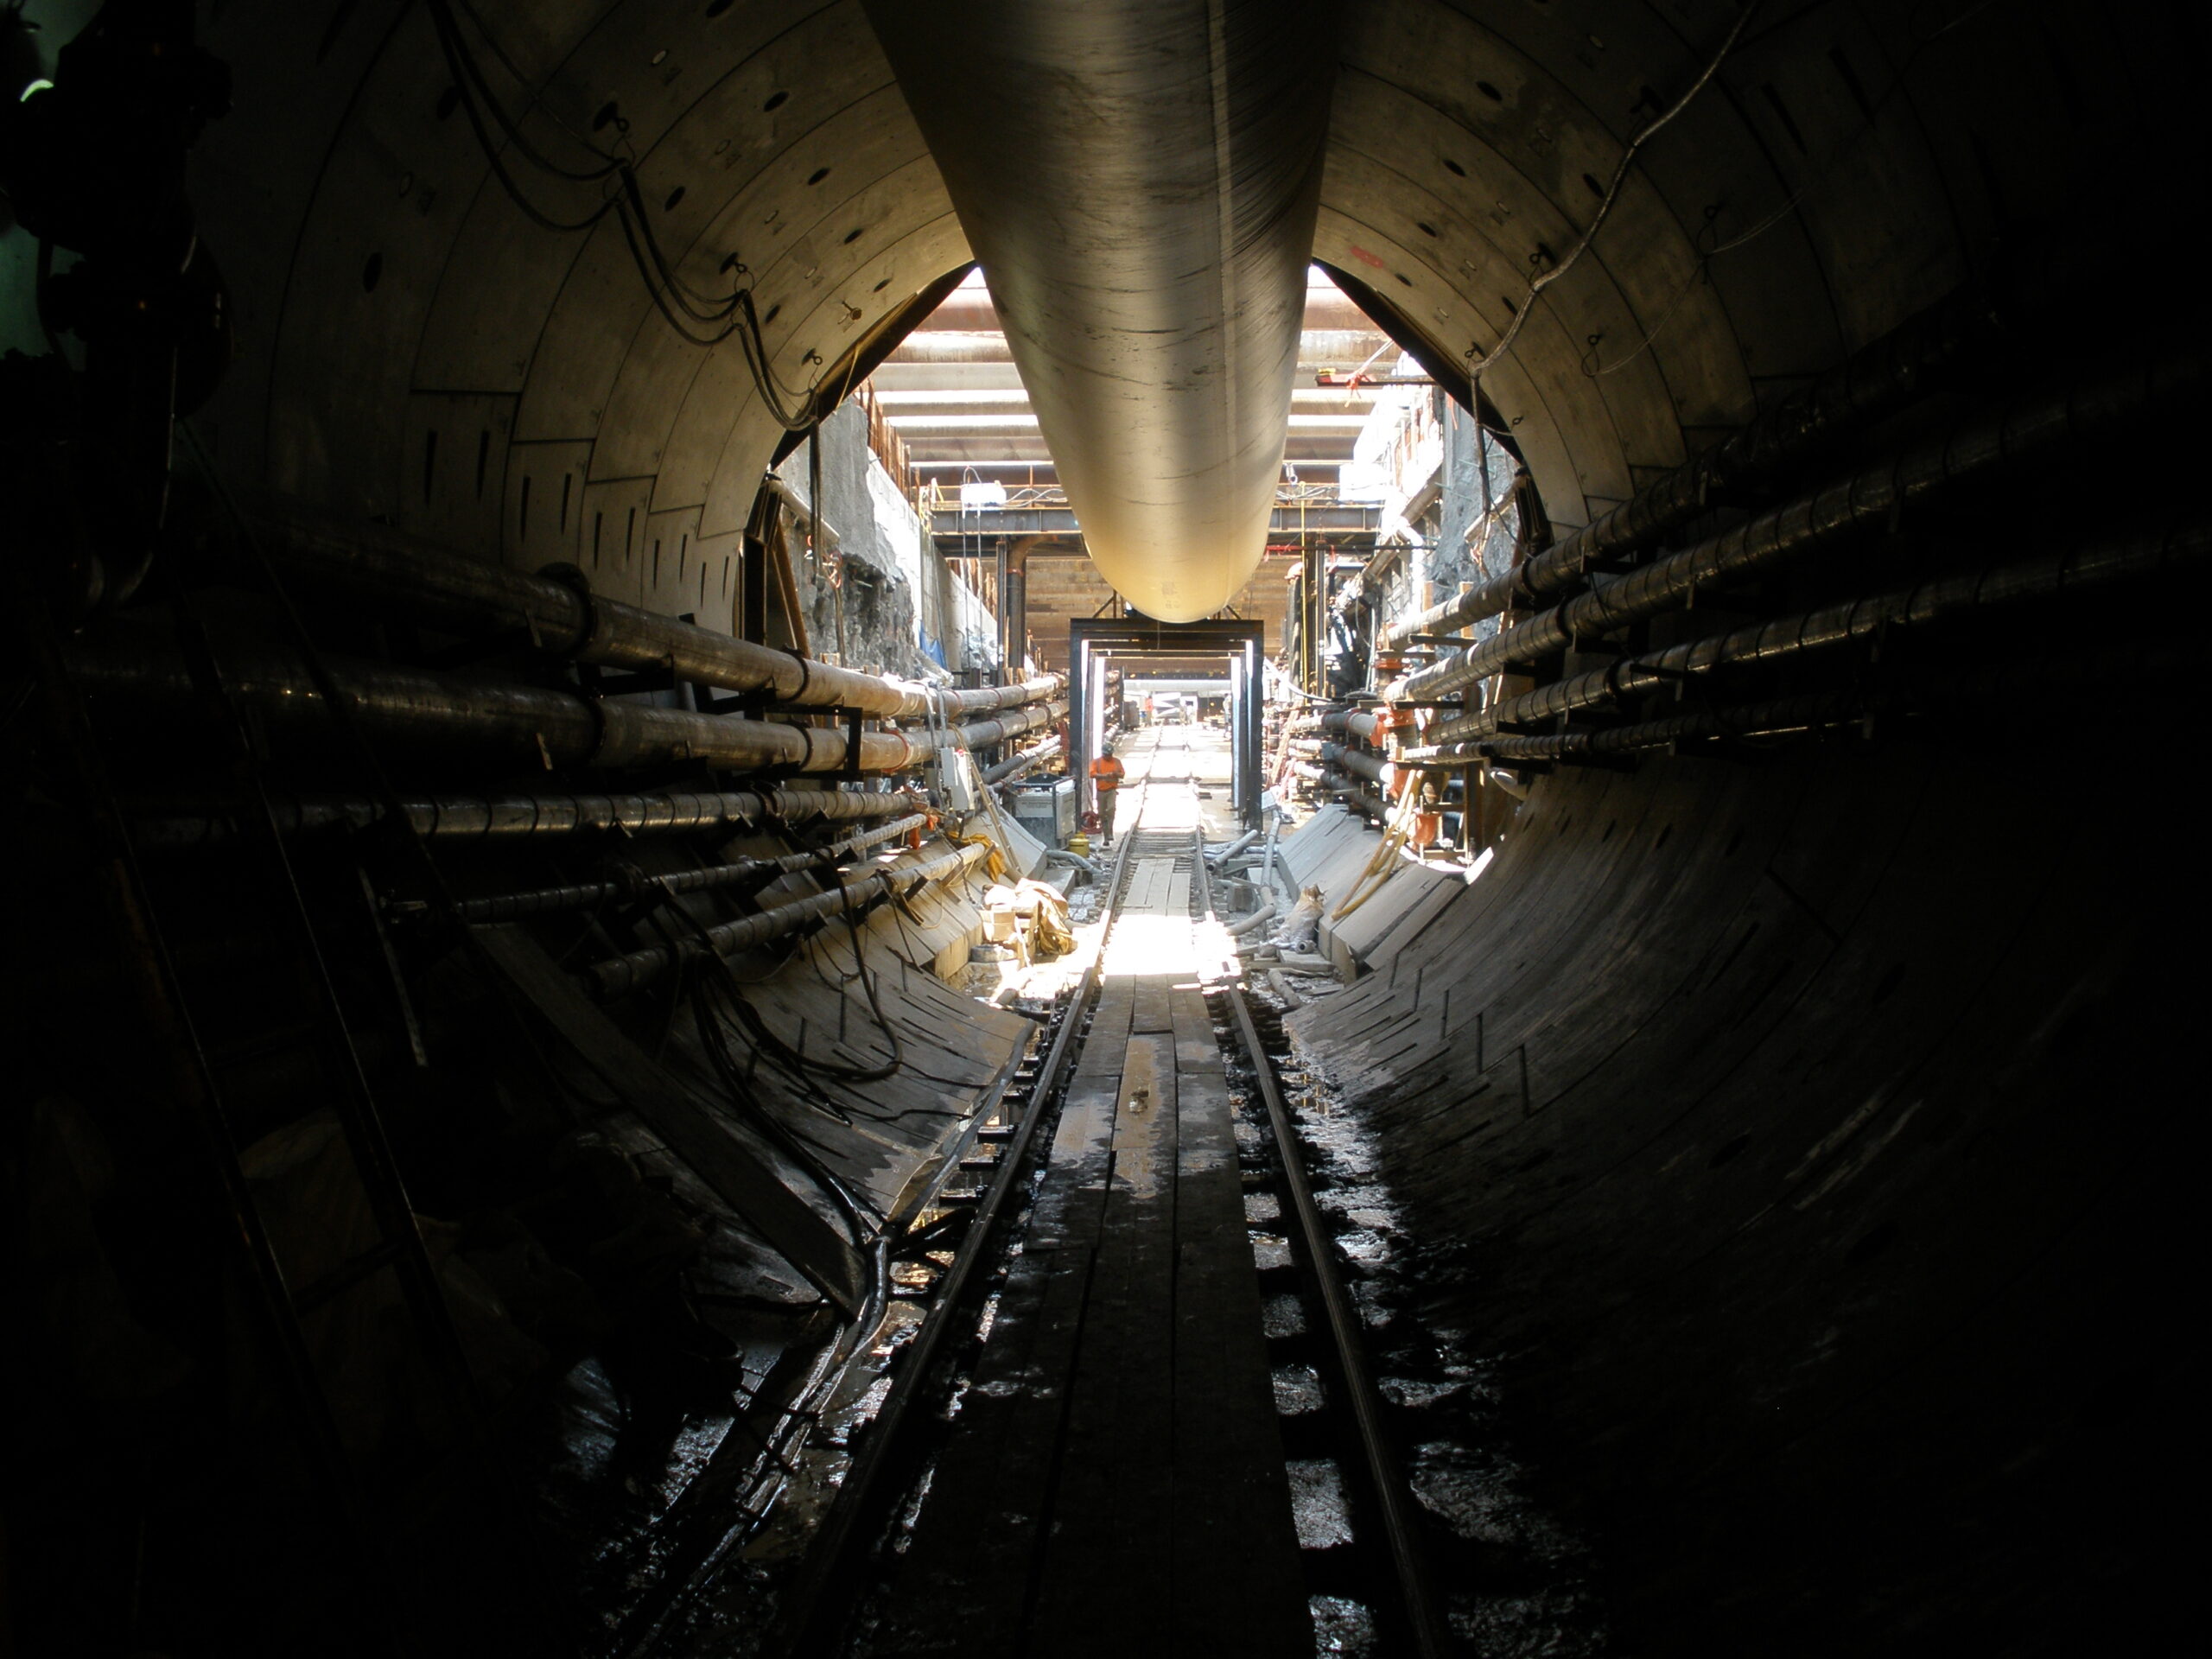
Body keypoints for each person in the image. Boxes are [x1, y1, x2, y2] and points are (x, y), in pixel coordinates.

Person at [1087, 742, 1127, 845]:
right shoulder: (1096, 762)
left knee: (1111, 809)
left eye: (1109, 755)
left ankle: (1110, 832)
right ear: (1103, 754)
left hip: (1111, 790)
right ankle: (1106, 837)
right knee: (1102, 814)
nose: (1108, 757)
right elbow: (1092, 774)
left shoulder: (1116, 762)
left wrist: (1115, 774)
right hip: (1101, 791)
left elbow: (1122, 774)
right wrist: (1103, 776)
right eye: (1106, 755)